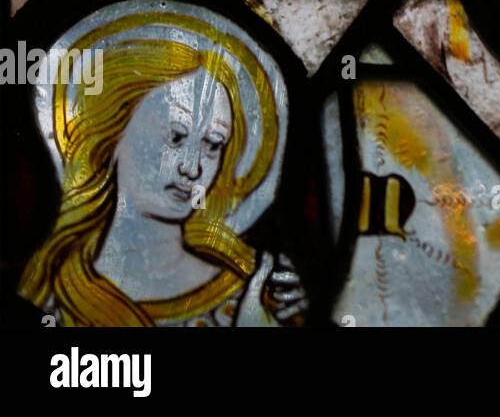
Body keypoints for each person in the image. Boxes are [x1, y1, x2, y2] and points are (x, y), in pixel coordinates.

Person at [20, 38, 305, 327]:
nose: (192, 168)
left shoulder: (254, 295)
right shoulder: (48, 292)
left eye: (213, 144)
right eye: (175, 137)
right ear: (114, 133)